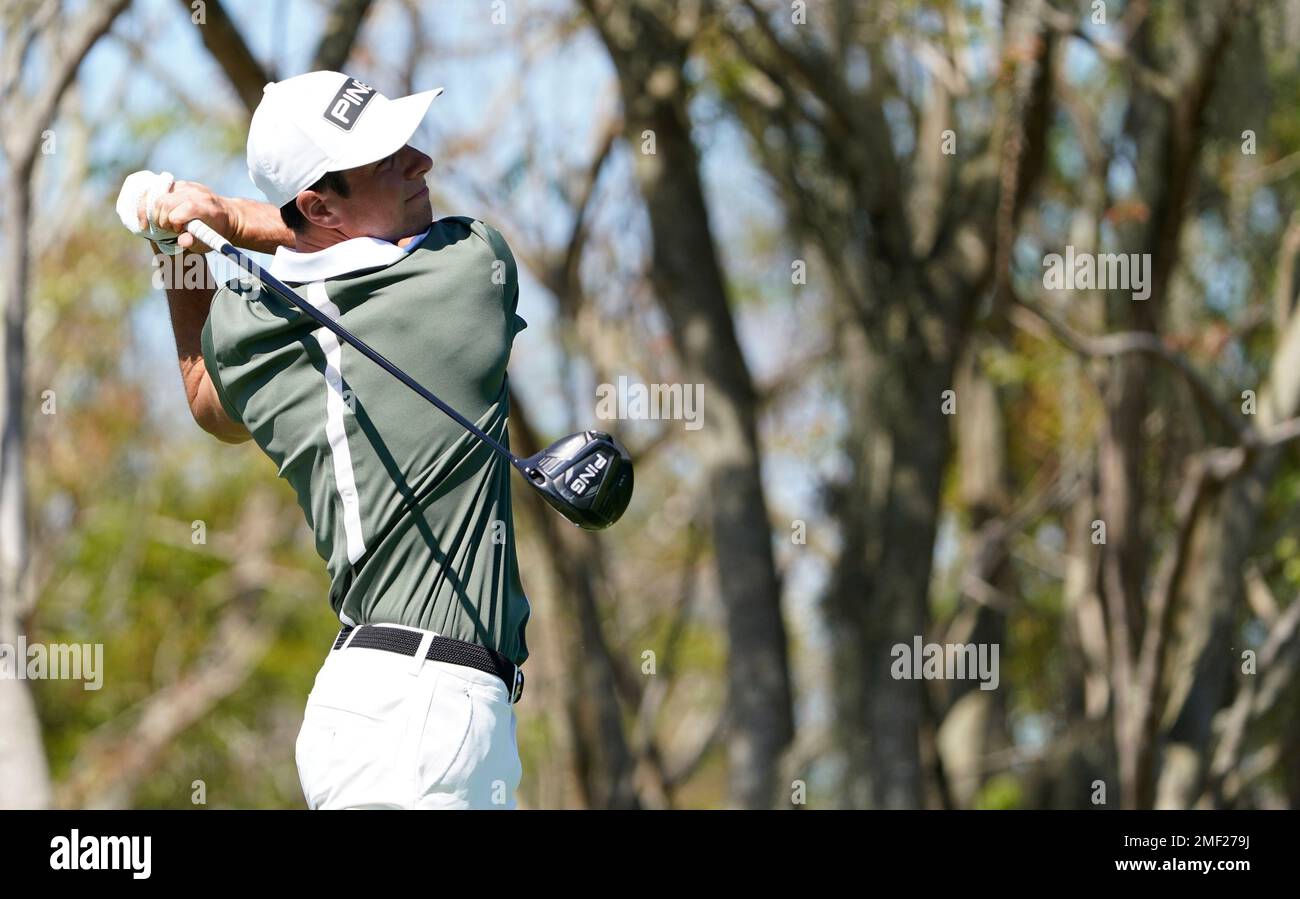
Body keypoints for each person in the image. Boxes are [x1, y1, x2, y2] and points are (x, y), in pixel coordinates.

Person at [115, 71, 530, 809]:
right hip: (416, 717)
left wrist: (180, 243)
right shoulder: (469, 268)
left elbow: (210, 401)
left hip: (404, 710)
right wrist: (217, 219)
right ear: (316, 204)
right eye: (388, 161)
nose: (421, 164)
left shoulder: (251, 322)